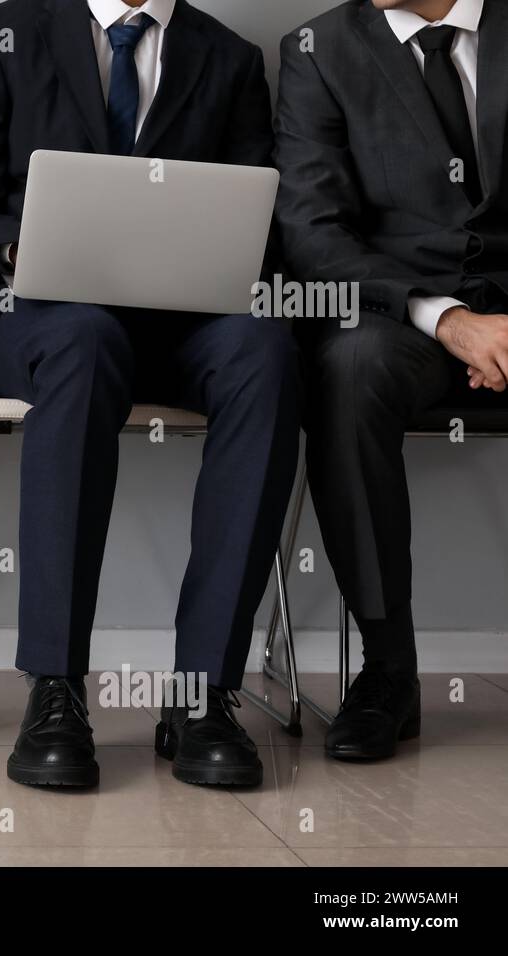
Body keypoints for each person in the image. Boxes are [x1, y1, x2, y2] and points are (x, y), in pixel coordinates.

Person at [0, 0, 301, 788]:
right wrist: (19, 246)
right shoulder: (5, 32)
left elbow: (261, 228)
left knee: (267, 349)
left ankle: (205, 694)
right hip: (42, 319)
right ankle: (55, 690)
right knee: (85, 339)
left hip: (182, 324)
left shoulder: (229, 58)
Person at [276, 0, 508, 761]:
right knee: (347, 368)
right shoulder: (318, 49)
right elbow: (311, 234)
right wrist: (447, 319)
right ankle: (388, 671)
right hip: (406, 315)